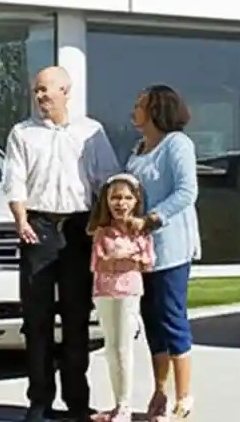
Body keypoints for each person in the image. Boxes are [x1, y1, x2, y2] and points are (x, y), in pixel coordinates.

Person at [2, 65, 122, 422]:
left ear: (65, 91)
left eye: (45, 90)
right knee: (36, 319)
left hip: (79, 230)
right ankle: (39, 402)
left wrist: (106, 228)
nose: (40, 97)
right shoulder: (22, 134)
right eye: (36, 91)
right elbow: (14, 181)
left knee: (76, 318)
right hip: (38, 226)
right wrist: (21, 220)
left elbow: (107, 181)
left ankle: (77, 402)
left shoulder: (91, 132)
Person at [125, 85, 201, 421]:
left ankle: (184, 397)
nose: (133, 110)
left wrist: (153, 218)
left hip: (171, 248)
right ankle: (160, 392)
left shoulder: (177, 145)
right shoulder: (138, 148)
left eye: (139, 105)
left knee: (172, 319)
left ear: (156, 109)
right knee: (152, 321)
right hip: (141, 252)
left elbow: (187, 191)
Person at [87, 174, 155, 422]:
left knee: (125, 347)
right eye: (115, 197)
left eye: (127, 198)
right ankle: (117, 403)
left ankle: (125, 405)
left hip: (129, 291)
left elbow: (147, 261)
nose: (121, 203)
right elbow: (99, 261)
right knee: (111, 347)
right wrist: (121, 257)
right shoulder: (102, 232)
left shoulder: (140, 231)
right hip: (104, 291)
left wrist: (129, 256)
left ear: (136, 201)